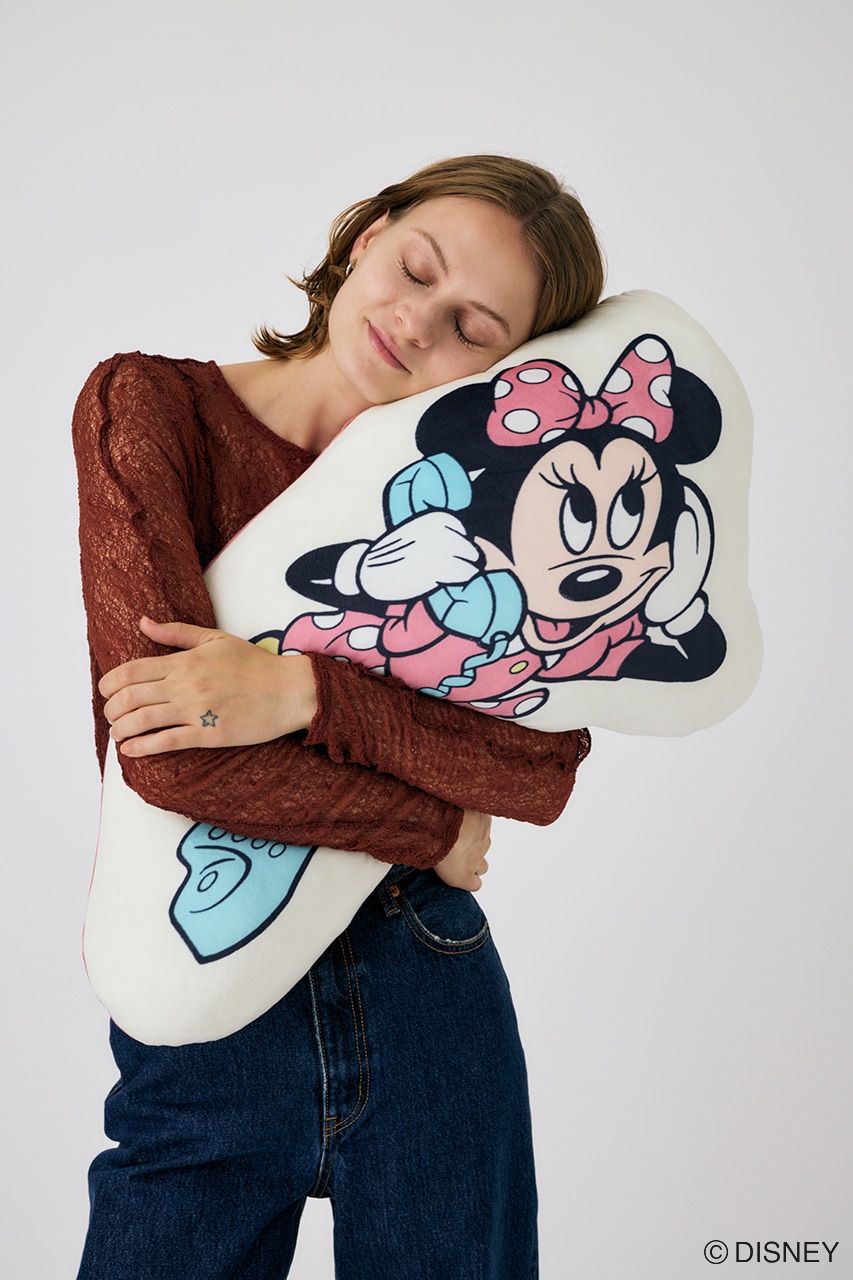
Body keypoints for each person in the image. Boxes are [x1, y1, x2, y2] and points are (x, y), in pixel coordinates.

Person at [73, 154, 604, 1279]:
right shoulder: (154, 407)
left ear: (511, 366)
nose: (417, 322)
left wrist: (300, 692)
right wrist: (431, 824)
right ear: (365, 237)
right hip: (203, 1011)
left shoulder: (491, 511)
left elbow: (540, 767)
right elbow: (167, 759)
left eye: (472, 327)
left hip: (428, 994)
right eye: (416, 268)